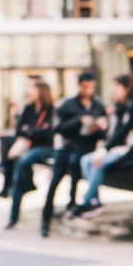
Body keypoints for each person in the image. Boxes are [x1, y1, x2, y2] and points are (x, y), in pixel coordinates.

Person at [71, 74, 133, 219]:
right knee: (85, 160)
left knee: (98, 162)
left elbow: (122, 133)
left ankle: (87, 201)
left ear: (125, 88)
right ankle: (94, 201)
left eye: (115, 88)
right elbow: (117, 132)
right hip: (128, 148)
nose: (112, 91)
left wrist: (104, 150)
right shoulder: (123, 107)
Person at [40, 70, 107, 237]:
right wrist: (79, 121)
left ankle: (73, 206)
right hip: (68, 146)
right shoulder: (68, 105)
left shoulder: (98, 105)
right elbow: (59, 128)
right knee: (55, 180)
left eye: (91, 87)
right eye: (85, 87)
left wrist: (101, 126)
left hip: (85, 148)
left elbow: (104, 135)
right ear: (79, 86)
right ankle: (46, 219)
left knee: (76, 166)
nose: (88, 91)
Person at [5, 78, 56, 230]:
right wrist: (35, 130)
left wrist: (30, 130)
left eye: (32, 89)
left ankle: (26, 185)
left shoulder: (50, 110)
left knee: (23, 162)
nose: (29, 92)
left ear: (41, 91)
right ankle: (13, 216)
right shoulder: (28, 108)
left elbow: (48, 134)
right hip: (29, 148)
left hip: (45, 148)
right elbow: (19, 130)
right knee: (17, 177)